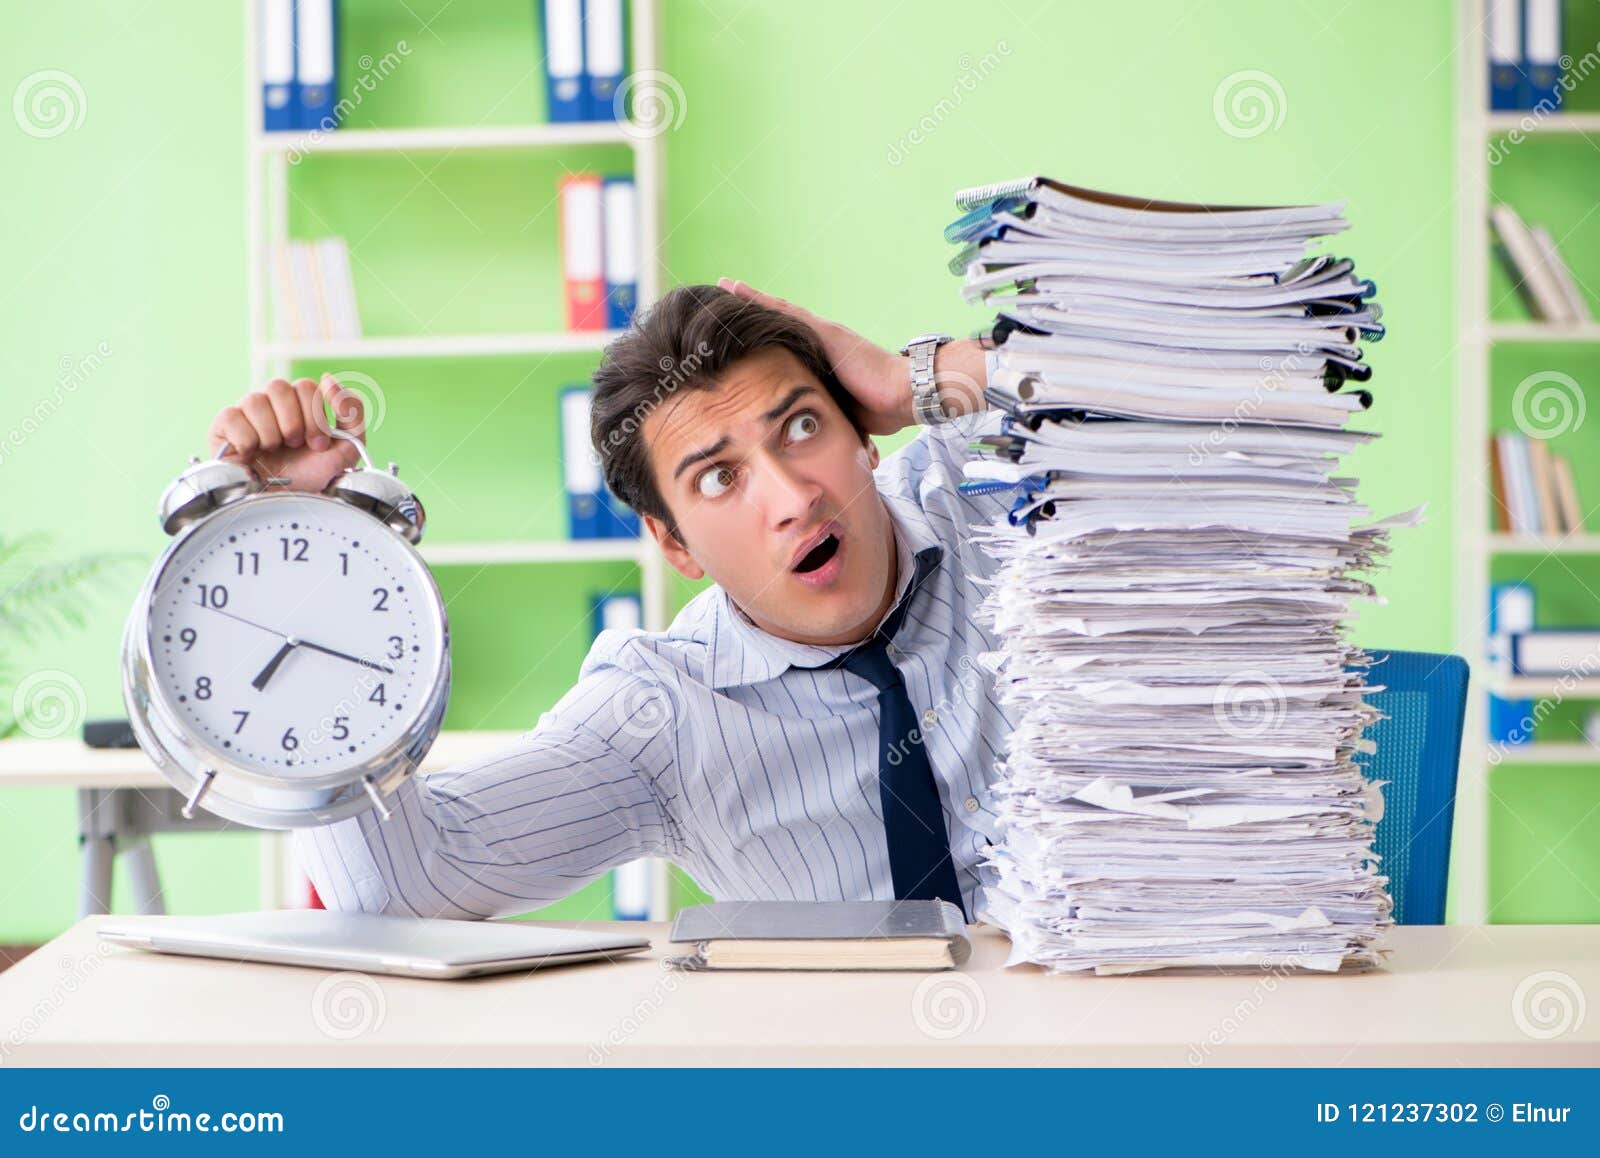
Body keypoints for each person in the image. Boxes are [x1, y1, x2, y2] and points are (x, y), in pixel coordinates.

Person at [207, 279, 1013, 921]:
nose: (793, 498)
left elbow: (1139, 364)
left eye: (802, 427)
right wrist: (303, 565)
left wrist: (924, 380)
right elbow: (399, 890)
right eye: (719, 477)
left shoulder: (998, 490)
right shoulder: (660, 716)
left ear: (866, 436)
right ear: (675, 545)